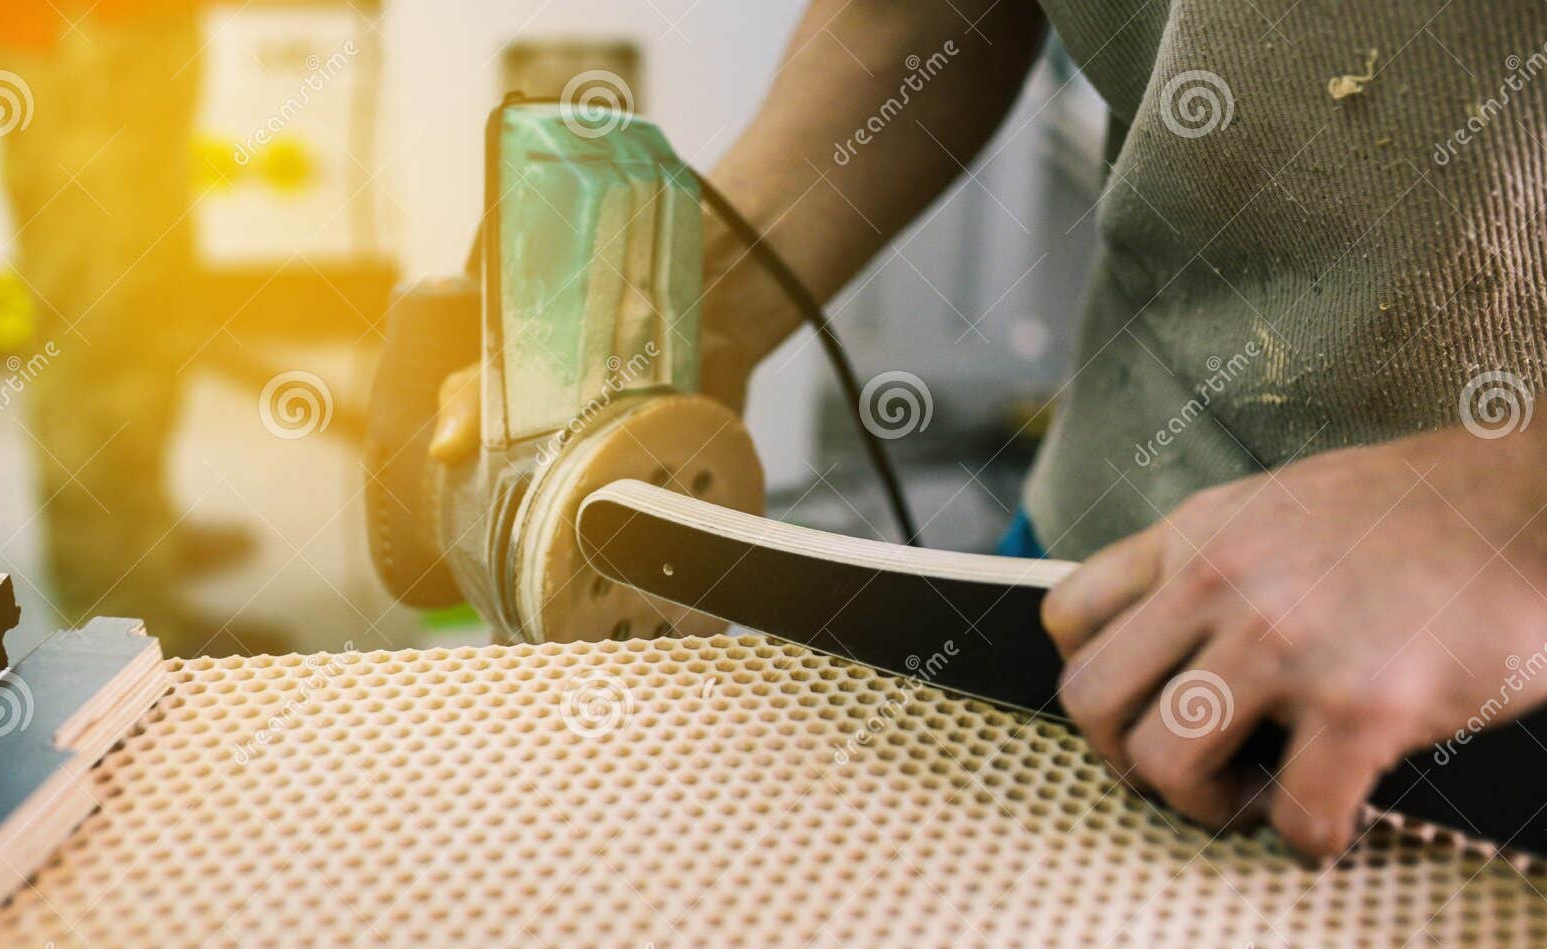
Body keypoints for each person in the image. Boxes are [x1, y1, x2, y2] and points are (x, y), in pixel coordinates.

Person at [431, 1, 1547, 861]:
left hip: (1487, 716)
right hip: (1085, 611)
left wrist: (1511, 508)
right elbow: (921, 18)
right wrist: (691, 310)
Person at [0, 0, 278, 657]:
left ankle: (141, 532)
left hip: (135, 26)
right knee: (99, 324)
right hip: (73, 31)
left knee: (148, 298)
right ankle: (122, 623)